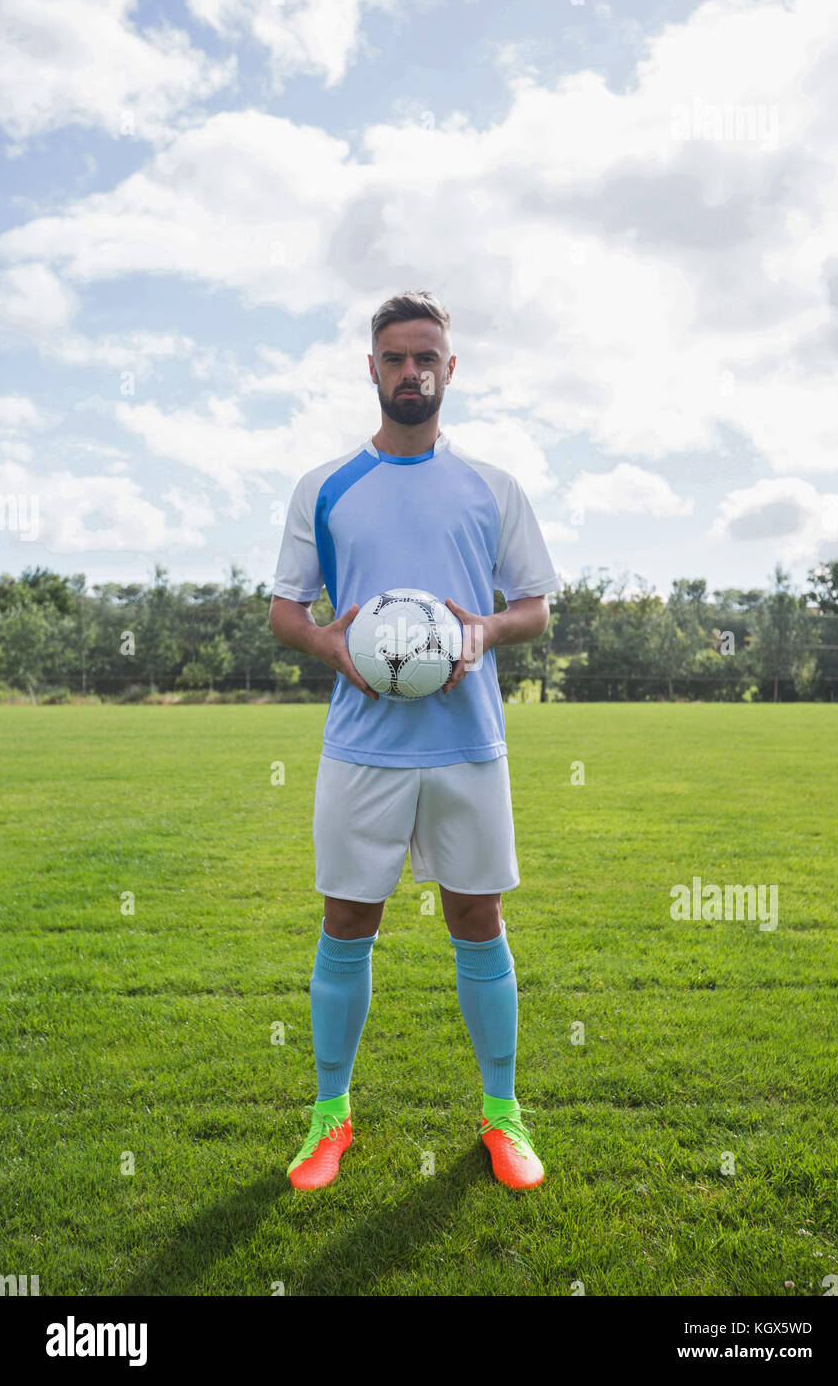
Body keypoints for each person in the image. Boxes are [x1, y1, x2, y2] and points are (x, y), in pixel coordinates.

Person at [269, 290, 559, 1191]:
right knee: (347, 921)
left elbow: (536, 608)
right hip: (362, 746)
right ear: (371, 368)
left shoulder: (493, 488)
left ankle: (502, 1117)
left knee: (479, 919)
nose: (411, 371)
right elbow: (286, 609)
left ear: (450, 368)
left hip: (468, 743)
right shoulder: (325, 487)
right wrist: (326, 642)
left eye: (425, 357)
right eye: (395, 358)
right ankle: (330, 1120)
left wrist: (483, 632)